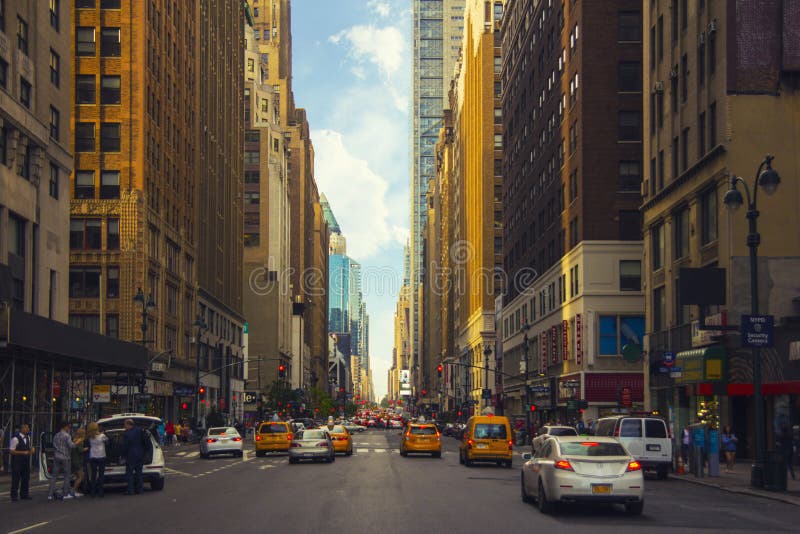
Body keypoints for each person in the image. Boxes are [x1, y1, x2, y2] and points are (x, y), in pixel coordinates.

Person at [49, 421, 76, 500]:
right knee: (67, 475)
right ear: (65, 427)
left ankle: (50, 495)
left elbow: (54, 445)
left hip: (57, 456)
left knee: (54, 476)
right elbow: (71, 446)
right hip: (65, 457)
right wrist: (77, 442)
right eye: (68, 427)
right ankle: (65, 493)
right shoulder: (67, 436)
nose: (69, 429)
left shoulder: (56, 435)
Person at [9, 422, 35, 502]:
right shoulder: (15, 438)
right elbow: (11, 451)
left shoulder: (28, 437)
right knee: (16, 479)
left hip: (26, 461)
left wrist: (32, 450)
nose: (28, 429)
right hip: (17, 461)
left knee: (26, 478)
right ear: (22, 429)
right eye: (27, 428)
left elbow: (28, 447)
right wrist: (23, 452)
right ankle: (14, 496)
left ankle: (24, 494)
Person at [123, 419, 145, 495]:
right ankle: (140, 490)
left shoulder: (127, 434)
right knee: (139, 473)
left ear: (129, 425)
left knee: (129, 474)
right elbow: (144, 441)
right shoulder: (139, 431)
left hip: (131, 455)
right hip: (140, 454)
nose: (124, 427)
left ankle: (130, 490)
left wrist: (123, 454)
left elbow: (125, 446)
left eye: (125, 425)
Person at [86, 422, 109, 498]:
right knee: (101, 475)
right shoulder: (102, 436)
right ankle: (100, 492)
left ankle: (93, 492)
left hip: (93, 456)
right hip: (101, 455)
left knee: (93, 475)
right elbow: (108, 442)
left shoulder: (89, 437)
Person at [70, 428, 87, 497]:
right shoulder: (79, 441)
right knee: (81, 476)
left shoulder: (74, 440)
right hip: (78, 461)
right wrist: (86, 449)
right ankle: (74, 490)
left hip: (74, 461)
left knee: (78, 476)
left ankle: (75, 491)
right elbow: (80, 450)